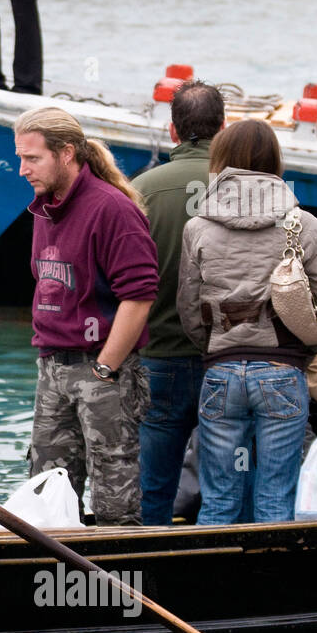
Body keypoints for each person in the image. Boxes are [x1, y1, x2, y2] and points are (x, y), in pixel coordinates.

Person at [178, 120, 317, 525]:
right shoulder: (307, 226)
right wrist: (306, 348)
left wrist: (216, 345)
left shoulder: (197, 227)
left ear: (221, 161)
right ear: (274, 161)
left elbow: (188, 308)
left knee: (217, 500)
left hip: (222, 371)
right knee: (275, 497)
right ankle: (272, 584)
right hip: (282, 370)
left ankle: (207, 583)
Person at [16, 107, 158, 526]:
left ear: (67, 153)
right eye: (20, 157)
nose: (22, 169)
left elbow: (140, 296)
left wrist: (104, 369)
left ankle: (119, 582)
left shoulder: (112, 209)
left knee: (115, 496)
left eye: (33, 158)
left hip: (101, 369)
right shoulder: (44, 208)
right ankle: (49, 582)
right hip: (52, 366)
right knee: (44, 494)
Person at [132, 79, 225, 525]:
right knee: (226, 480)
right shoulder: (253, 189)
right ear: (223, 129)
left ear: (172, 131)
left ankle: (151, 562)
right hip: (228, 356)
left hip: (160, 354)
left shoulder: (142, 189)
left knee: (154, 483)